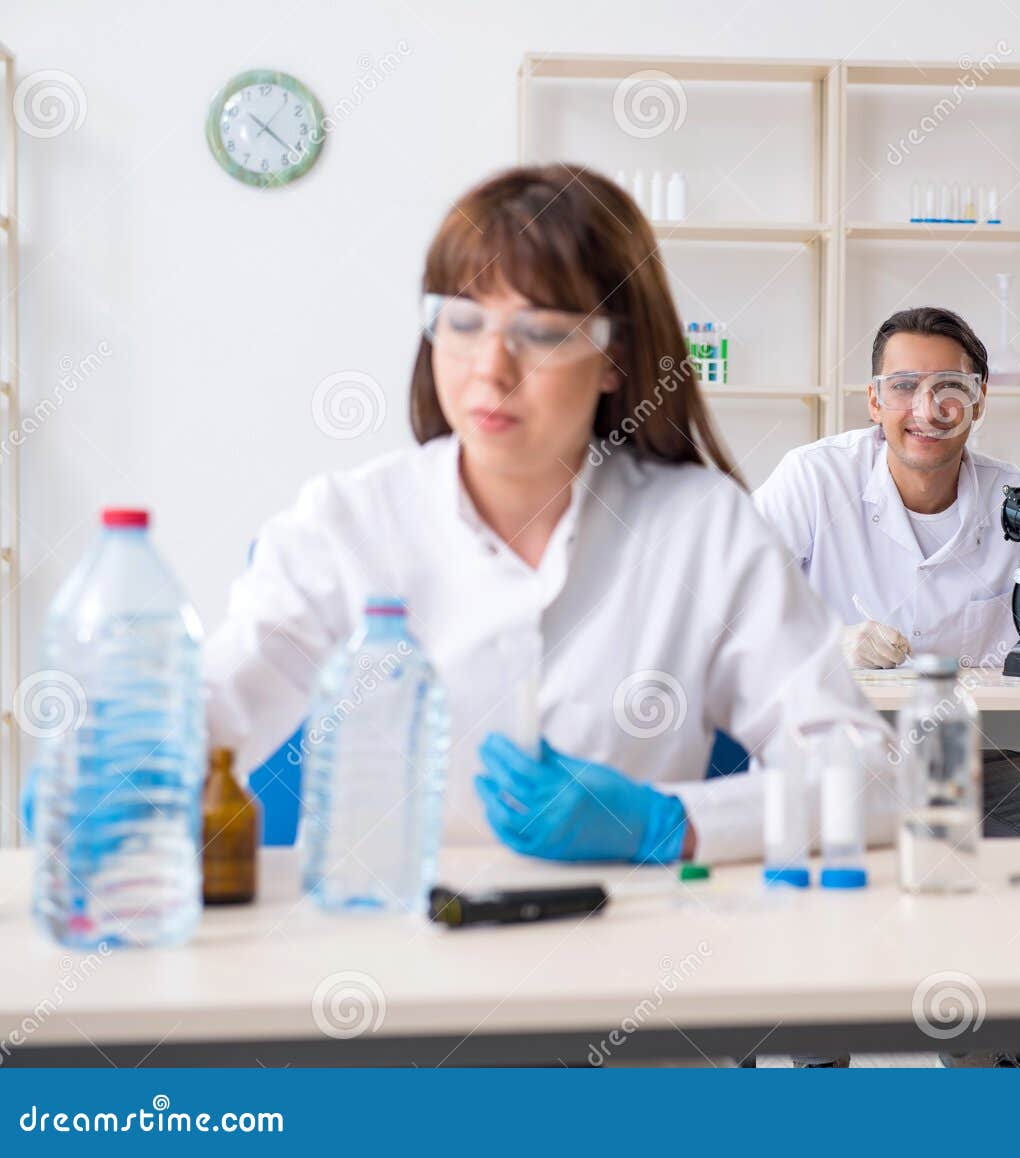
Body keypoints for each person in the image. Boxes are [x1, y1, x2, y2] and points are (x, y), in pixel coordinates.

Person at [205, 164, 894, 866]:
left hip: (630, 950)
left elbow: (870, 779)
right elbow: (219, 704)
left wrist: (671, 824)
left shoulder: (700, 528)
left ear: (614, 358)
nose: (491, 369)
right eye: (464, 323)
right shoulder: (349, 522)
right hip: (390, 952)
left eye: (539, 333)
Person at [752, 306, 1020, 838]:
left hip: (991, 760)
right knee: (822, 843)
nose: (927, 409)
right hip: (846, 748)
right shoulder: (814, 480)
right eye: (904, 386)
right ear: (873, 400)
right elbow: (725, 607)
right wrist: (829, 646)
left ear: (979, 399)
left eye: (950, 387)